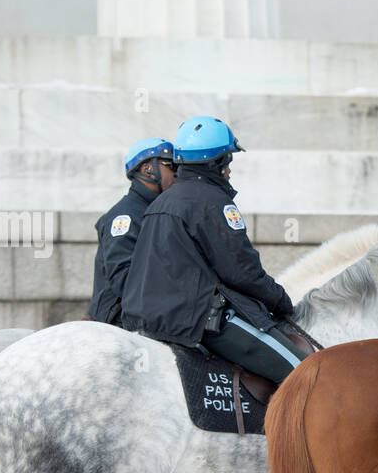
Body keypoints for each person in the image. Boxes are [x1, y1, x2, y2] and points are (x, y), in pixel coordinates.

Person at [122, 116, 306, 383]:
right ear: (217, 163)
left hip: (146, 320)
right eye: (228, 161)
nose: (230, 171)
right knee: (304, 372)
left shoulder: (160, 204)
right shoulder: (214, 203)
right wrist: (282, 302)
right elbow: (243, 272)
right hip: (195, 319)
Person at [88, 137, 176, 326]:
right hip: (119, 323)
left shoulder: (155, 211)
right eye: (171, 166)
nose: (178, 174)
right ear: (148, 169)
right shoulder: (126, 216)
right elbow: (125, 281)